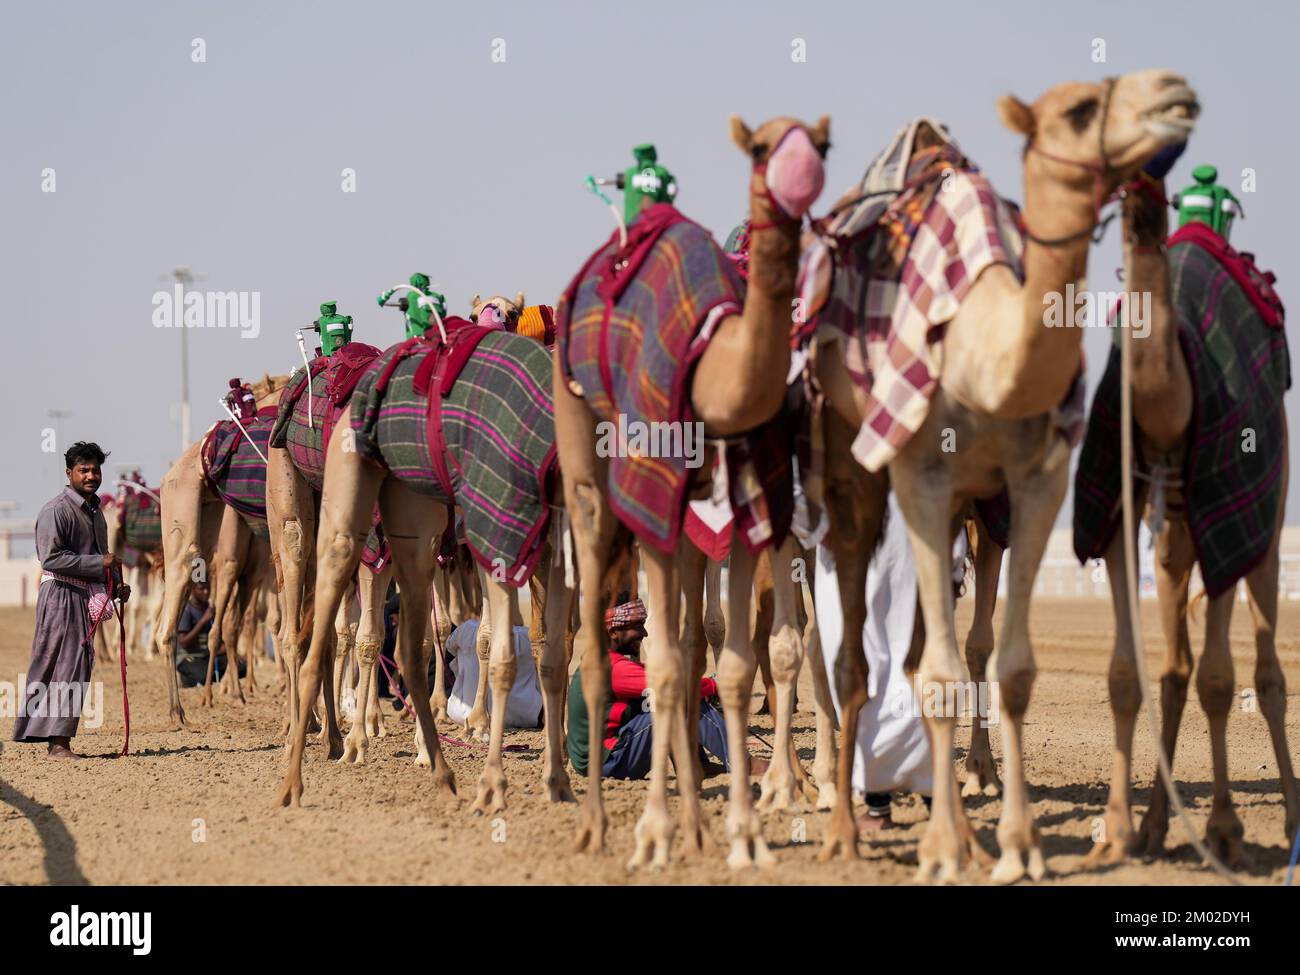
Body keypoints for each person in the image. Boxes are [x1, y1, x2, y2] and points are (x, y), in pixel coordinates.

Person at [13, 442, 129, 758]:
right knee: (61, 665)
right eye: (84, 470)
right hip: (60, 596)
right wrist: (99, 565)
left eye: (95, 469)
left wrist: (117, 586)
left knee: (76, 666)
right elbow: (50, 559)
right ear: (69, 473)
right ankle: (58, 744)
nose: (91, 475)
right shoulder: (56, 510)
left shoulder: (96, 513)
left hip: (85, 596)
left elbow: (103, 558)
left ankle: (56, 738)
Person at [566, 597, 731, 780]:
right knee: (677, 700)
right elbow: (673, 685)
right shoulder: (614, 669)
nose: (644, 633)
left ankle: (698, 763)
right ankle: (740, 761)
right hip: (607, 762)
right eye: (636, 626)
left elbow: (657, 674)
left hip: (600, 760)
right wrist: (716, 686)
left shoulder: (604, 661)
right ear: (613, 632)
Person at [445, 618, 543, 729]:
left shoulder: (466, 629)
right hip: (525, 717)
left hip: (462, 714)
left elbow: (449, 647)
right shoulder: (526, 636)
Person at [174, 582, 215, 688]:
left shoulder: (209, 608)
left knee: (241, 666)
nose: (206, 592)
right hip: (188, 657)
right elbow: (183, 642)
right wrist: (203, 621)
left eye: (208, 588)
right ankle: (184, 679)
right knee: (204, 676)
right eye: (201, 589)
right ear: (192, 589)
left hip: (206, 655)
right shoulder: (186, 609)